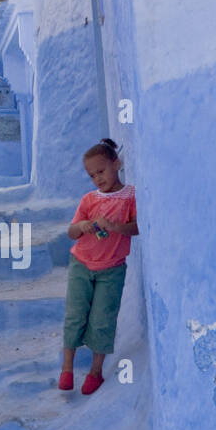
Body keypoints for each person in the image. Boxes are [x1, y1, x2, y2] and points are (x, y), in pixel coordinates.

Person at [59, 138, 138, 395]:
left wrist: (114, 227)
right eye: (92, 175)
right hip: (81, 265)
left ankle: (96, 371)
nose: (97, 179)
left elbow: (137, 227)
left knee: (103, 320)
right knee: (75, 315)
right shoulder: (89, 200)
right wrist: (82, 227)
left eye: (101, 171)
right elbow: (71, 232)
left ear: (117, 164)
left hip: (112, 270)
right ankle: (67, 368)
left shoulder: (130, 197)